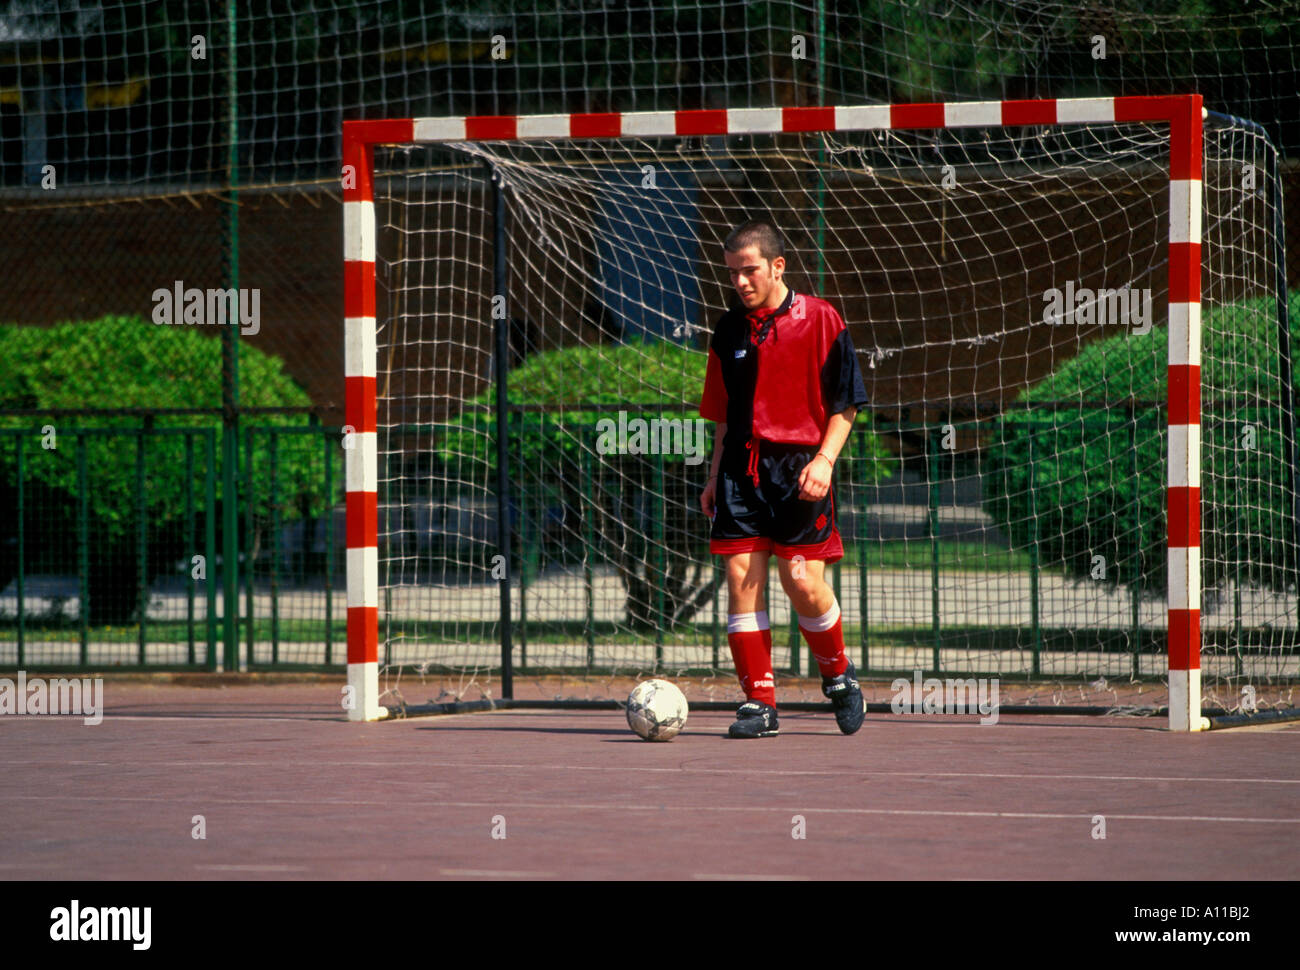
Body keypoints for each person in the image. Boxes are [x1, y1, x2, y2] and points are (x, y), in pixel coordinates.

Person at [699, 220, 869, 739]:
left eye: (749, 270)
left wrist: (824, 462)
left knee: (801, 582)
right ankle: (759, 704)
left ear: (778, 266)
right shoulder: (727, 330)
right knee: (739, 580)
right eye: (732, 273)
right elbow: (724, 413)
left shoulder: (821, 319)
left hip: (800, 472)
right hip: (739, 472)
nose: (740, 282)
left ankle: (839, 676)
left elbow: (847, 403)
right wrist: (712, 477)